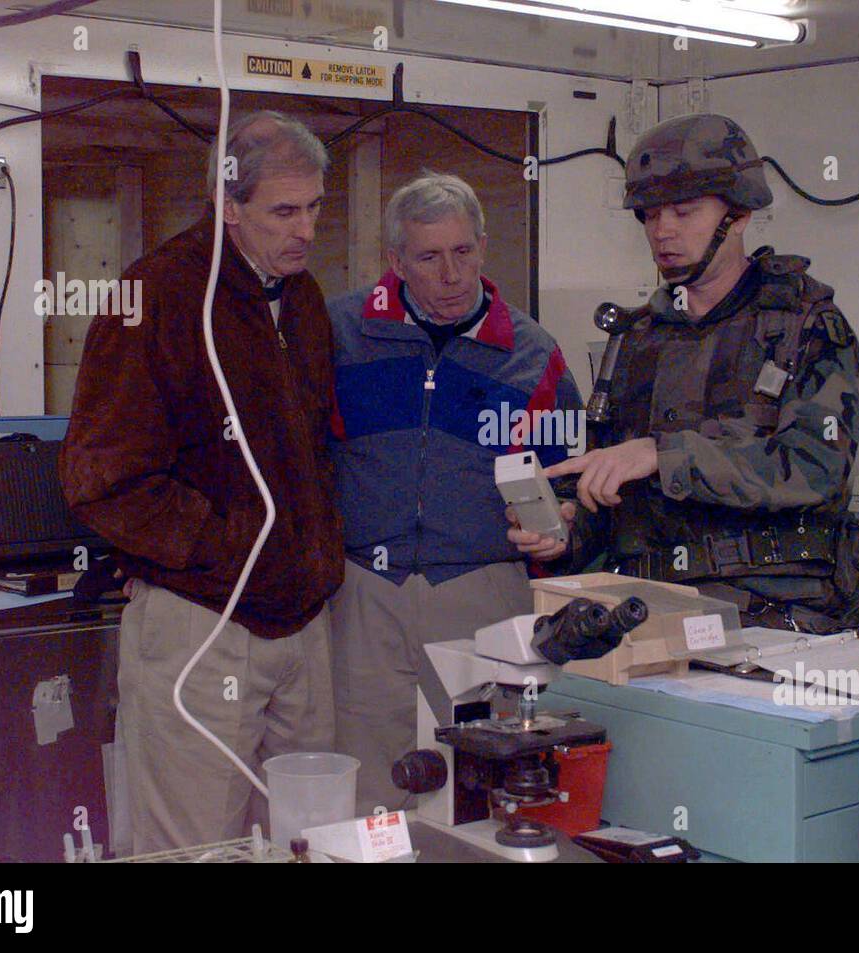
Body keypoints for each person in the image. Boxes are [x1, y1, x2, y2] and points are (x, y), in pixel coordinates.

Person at [59, 111, 344, 852]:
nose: (306, 228)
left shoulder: (302, 298)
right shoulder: (155, 294)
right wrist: (227, 548)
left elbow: (310, 451)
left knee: (305, 842)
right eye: (284, 210)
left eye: (315, 207)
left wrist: (309, 552)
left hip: (303, 620)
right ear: (228, 204)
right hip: (203, 621)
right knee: (194, 847)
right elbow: (102, 477)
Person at [512, 113, 859, 637]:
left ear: (740, 213)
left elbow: (815, 468)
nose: (664, 231)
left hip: (774, 621)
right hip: (650, 615)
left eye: (685, 211)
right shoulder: (637, 338)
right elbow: (613, 493)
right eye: (650, 215)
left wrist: (662, 454)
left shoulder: (805, 326)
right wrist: (568, 528)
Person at [326, 171, 585, 814]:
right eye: (428, 256)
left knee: (480, 771)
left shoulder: (532, 353)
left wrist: (565, 522)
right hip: (364, 584)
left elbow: (575, 477)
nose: (450, 273)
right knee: (370, 772)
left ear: (482, 246)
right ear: (395, 261)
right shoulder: (341, 333)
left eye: (463, 252)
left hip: (481, 585)